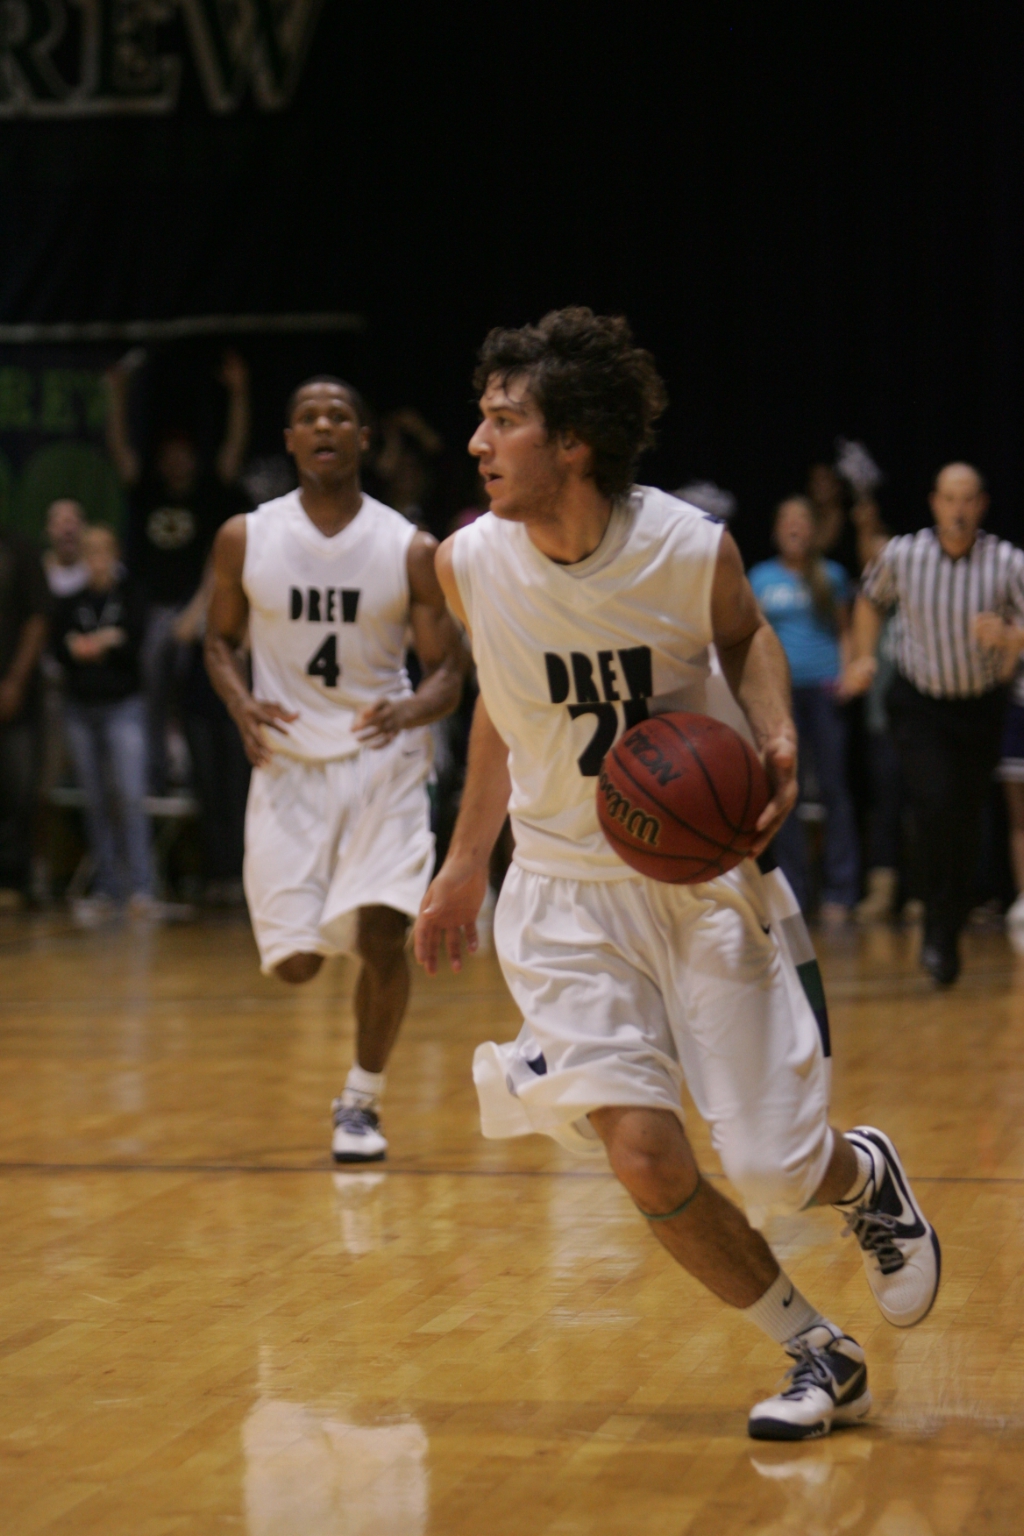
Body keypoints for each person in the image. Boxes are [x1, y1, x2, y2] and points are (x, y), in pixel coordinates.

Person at [414, 307, 940, 1441]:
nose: (476, 441)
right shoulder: (468, 563)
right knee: (645, 1156)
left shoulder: (685, 549)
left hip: (698, 885)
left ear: (574, 447)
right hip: (560, 894)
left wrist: (772, 734)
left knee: (772, 1166)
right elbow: (501, 718)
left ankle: (863, 1177)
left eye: (503, 421)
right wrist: (465, 863)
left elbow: (747, 637)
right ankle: (814, 1350)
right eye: (481, 417)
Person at [205, 376, 466, 1163]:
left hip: (381, 758)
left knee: (385, 936)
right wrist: (240, 705)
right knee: (294, 966)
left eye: (341, 416)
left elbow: (449, 670)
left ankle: (362, 1101)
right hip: (288, 766)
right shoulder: (244, 537)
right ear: (288, 440)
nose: (324, 426)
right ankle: (325, 930)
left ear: (363, 436)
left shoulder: (408, 546)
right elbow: (217, 642)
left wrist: (412, 711)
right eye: (308, 417)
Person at [846, 463, 1024, 984]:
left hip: (980, 704)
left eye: (968, 500)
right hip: (920, 703)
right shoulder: (903, 554)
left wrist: (1012, 636)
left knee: (965, 820)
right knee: (936, 803)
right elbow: (869, 600)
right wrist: (861, 657)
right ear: (934, 503)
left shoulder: (1007, 561)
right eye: (949, 499)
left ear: (982, 506)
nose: (959, 510)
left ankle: (946, 924)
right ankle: (935, 931)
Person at [106, 350, 251, 791]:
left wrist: (240, 393)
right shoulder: (147, 489)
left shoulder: (210, 492)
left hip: (201, 607)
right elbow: (119, 450)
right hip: (153, 608)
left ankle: (197, 768)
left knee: (201, 682)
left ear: (193, 458)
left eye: (183, 455)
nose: (176, 462)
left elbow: (234, 447)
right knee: (152, 672)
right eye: (169, 455)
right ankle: (155, 771)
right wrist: (117, 392)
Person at [749, 498, 860, 923]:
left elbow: (845, 630)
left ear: (813, 530)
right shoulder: (760, 577)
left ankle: (841, 892)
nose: (795, 528)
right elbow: (752, 636)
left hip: (825, 689)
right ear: (777, 529)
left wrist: (848, 673)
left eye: (802, 522)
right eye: (788, 521)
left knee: (834, 790)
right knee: (784, 789)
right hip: (781, 693)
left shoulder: (830, 575)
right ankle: (792, 891)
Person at [49, 525, 156, 923]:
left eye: (102, 551)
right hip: (81, 709)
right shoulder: (71, 601)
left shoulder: (130, 596)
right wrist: (88, 646)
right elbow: (59, 649)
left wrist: (111, 642)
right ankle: (107, 886)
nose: (96, 560)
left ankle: (143, 888)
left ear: (114, 555)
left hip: (123, 706)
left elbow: (135, 642)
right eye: (89, 552)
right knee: (95, 801)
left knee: (129, 796)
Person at [0, 528, 48, 906]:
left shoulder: (20, 549)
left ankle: (14, 878)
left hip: (14, 693)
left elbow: (37, 620)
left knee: (18, 788)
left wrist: (16, 680)